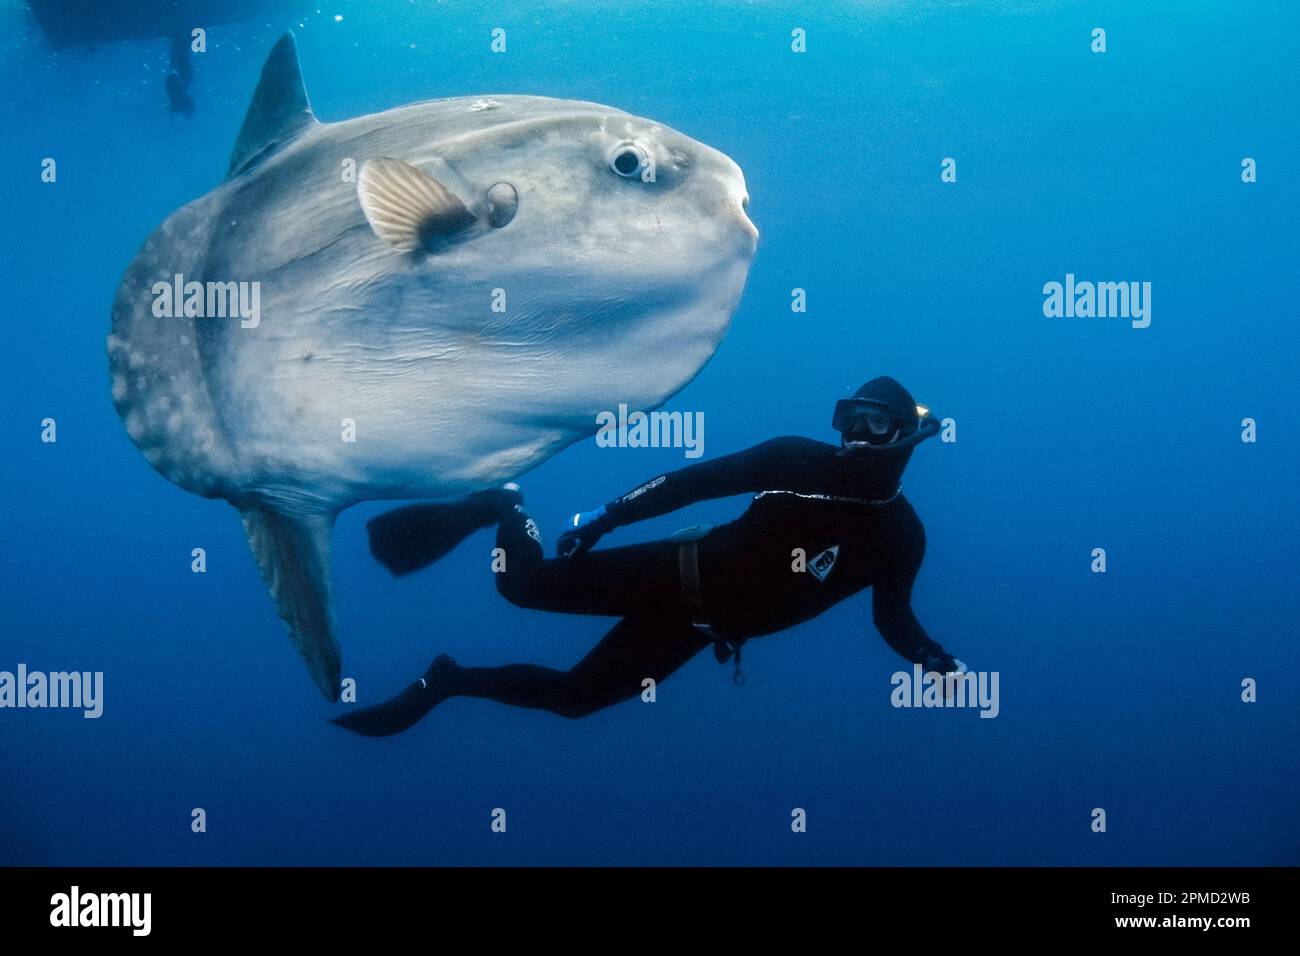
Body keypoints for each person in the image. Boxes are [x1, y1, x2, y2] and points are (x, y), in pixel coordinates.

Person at [333, 376, 964, 737]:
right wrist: (604, 521)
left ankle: (449, 680)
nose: (855, 434)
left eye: (874, 424)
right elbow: (688, 483)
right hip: (671, 570)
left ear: (906, 436)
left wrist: (929, 656)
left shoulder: (901, 537)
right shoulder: (795, 457)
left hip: (696, 629)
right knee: (519, 588)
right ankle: (502, 506)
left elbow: (893, 618)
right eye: (848, 418)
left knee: (575, 701)